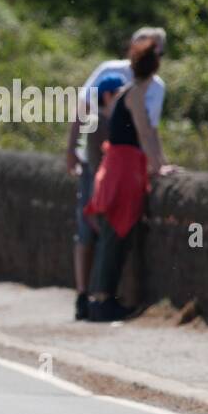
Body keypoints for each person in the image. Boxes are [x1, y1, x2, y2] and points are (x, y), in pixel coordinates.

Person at [82, 36, 177, 321]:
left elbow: (149, 132)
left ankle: (101, 299)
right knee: (114, 235)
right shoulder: (135, 94)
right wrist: (159, 166)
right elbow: (145, 131)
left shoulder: (128, 91)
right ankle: (101, 301)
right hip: (122, 168)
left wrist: (159, 162)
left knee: (115, 235)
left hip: (121, 165)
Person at [65, 73, 125, 320]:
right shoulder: (99, 120)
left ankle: (85, 297)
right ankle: (96, 299)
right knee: (95, 234)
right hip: (96, 182)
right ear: (109, 95)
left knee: (86, 236)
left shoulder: (100, 119)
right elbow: (98, 159)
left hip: (93, 180)